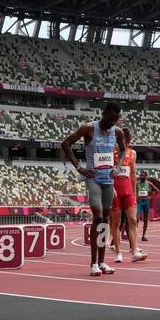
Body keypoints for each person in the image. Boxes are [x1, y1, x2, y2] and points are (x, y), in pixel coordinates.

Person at [61, 103, 125, 277]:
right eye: (111, 117)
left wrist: (118, 166)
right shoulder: (88, 129)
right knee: (97, 217)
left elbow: (123, 150)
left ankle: (103, 262)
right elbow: (65, 144)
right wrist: (79, 168)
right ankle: (93, 263)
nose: (113, 121)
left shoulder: (117, 132)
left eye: (116, 119)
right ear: (103, 114)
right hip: (93, 179)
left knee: (105, 219)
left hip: (108, 180)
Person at [109, 125, 146, 264]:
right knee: (116, 222)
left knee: (132, 220)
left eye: (128, 141)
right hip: (115, 191)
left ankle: (135, 251)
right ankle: (118, 252)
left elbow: (133, 173)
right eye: (124, 140)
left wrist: (134, 192)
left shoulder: (132, 153)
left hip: (128, 191)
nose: (126, 143)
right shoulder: (111, 153)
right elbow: (108, 173)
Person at [136, 168, 151, 242]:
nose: (140, 176)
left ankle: (143, 236)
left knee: (145, 219)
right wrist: (136, 198)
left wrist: (150, 197)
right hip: (139, 202)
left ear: (146, 176)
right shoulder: (137, 183)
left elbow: (157, 190)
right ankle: (135, 234)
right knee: (137, 218)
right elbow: (134, 192)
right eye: (140, 175)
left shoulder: (148, 183)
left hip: (146, 202)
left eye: (142, 175)